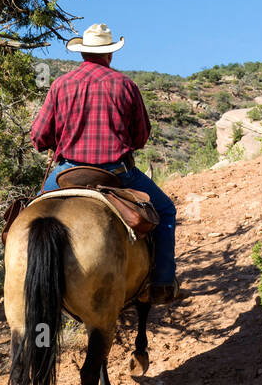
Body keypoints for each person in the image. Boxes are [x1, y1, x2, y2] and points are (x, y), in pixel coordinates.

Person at [30, 23, 183, 304]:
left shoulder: (60, 84)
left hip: (68, 173)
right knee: (165, 211)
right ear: (110, 54)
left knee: (29, 219)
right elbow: (140, 137)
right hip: (117, 174)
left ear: (83, 53)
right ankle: (162, 283)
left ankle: (21, 282)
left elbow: (39, 137)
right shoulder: (126, 85)